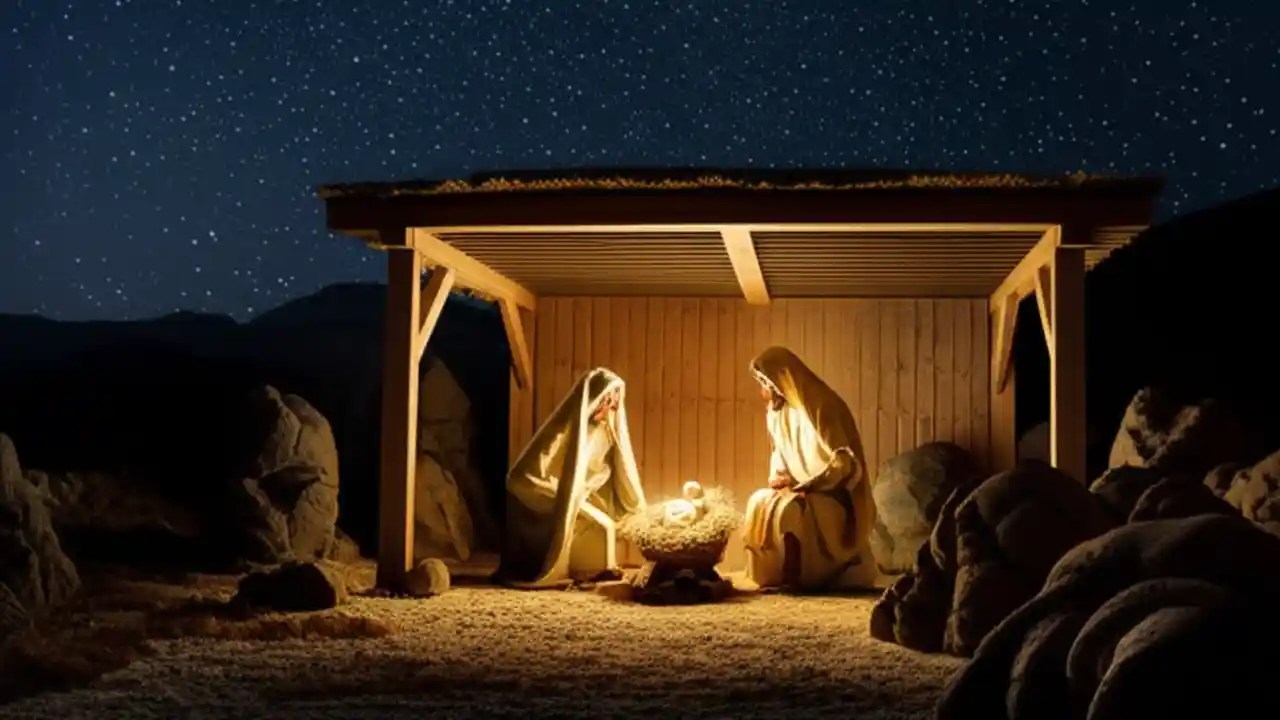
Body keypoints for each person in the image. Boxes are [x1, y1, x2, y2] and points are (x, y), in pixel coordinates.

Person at [494, 367, 647, 588]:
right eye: (607, 397)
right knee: (599, 525)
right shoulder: (563, 430)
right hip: (544, 491)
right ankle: (582, 567)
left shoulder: (608, 430)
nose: (612, 404)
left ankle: (598, 568)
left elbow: (615, 471)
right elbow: (524, 478)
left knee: (605, 524)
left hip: (583, 493)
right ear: (594, 399)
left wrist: (639, 511)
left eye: (615, 398)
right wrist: (566, 497)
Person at [743, 346, 877, 592]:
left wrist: (812, 485)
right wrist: (780, 480)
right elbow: (779, 453)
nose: (765, 387)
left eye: (767, 380)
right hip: (800, 488)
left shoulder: (822, 406)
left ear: (782, 377)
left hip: (834, 493)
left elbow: (843, 462)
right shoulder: (775, 413)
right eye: (761, 381)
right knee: (758, 501)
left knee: (792, 510)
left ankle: (793, 579)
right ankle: (770, 575)